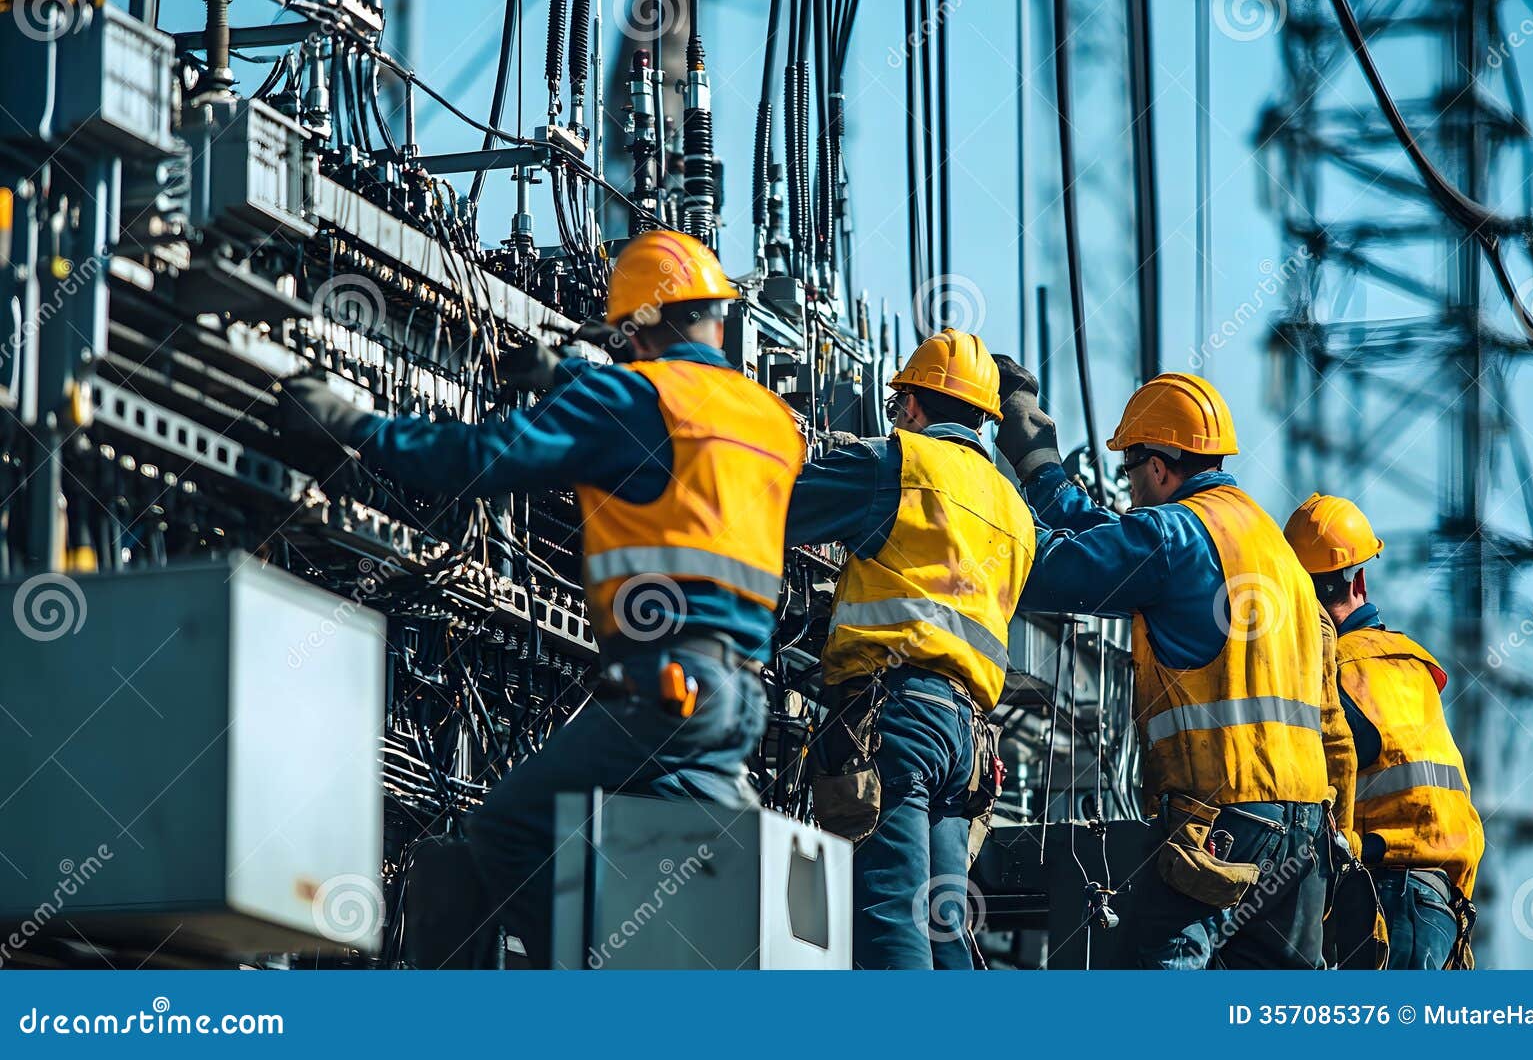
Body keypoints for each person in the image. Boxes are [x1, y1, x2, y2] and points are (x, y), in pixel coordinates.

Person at [275, 229, 804, 963]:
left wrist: (351, 424)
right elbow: (663, 435)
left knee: (507, 829)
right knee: (713, 883)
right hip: (738, 702)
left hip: (664, 690)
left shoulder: (632, 398)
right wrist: (565, 377)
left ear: (638, 327)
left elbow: (479, 458)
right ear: (717, 319)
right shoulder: (770, 421)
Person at [994, 361, 1357, 969]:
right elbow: (1115, 543)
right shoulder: (1276, 556)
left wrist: (976, 509)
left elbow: (1062, 568)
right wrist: (1041, 467)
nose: (1130, 487)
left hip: (1225, 820)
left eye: (1130, 471)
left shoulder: (1179, 537)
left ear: (1159, 467)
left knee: (1162, 976)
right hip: (1305, 836)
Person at [787, 329, 1035, 968]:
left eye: (899, 405)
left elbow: (775, 509)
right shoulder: (1015, 511)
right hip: (968, 738)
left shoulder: (896, 463)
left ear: (915, 405)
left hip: (895, 715)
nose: (896, 417)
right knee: (944, 923)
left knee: (889, 913)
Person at [1285, 493, 1484, 969]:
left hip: (1389, 897)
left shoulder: (1330, 669)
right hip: (1442, 898)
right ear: (1360, 580)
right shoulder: (1411, 662)